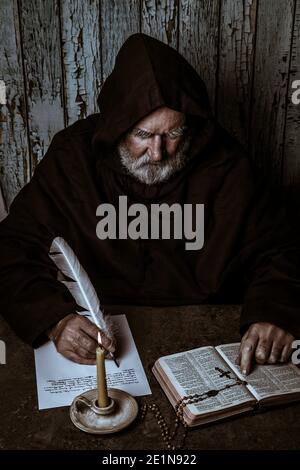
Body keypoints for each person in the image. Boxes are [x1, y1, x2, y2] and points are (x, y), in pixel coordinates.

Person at [0, 33, 298, 374]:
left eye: (173, 135)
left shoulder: (227, 164)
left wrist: (273, 310)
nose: (158, 154)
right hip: (102, 335)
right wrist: (54, 320)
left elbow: (283, 248)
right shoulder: (73, 159)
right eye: (142, 135)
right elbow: (11, 248)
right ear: (116, 126)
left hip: (210, 336)